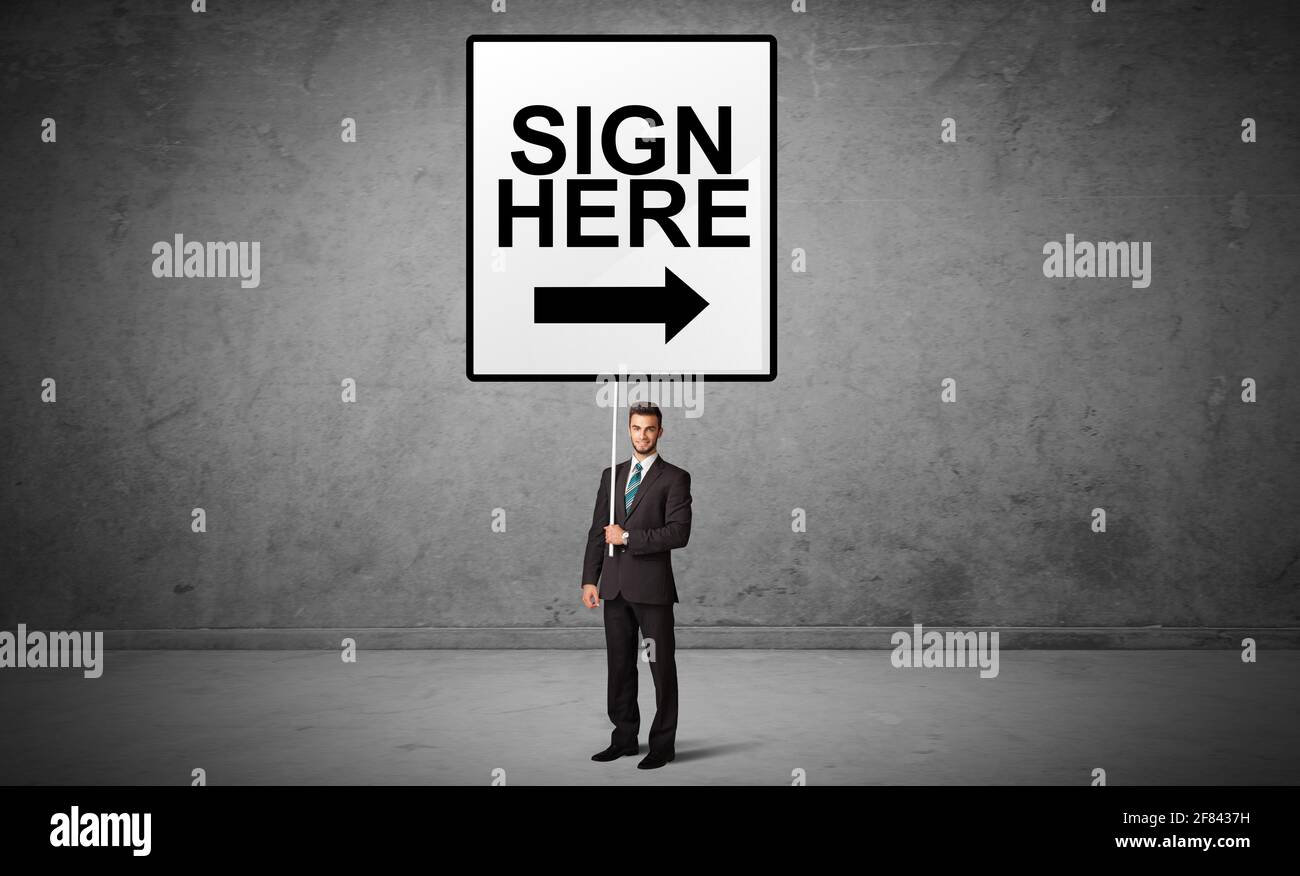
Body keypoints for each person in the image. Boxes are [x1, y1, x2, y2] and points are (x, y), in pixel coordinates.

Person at [581, 401, 692, 770]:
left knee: (660, 668)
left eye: (649, 429)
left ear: (660, 431)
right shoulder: (610, 476)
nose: (642, 435)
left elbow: (679, 533)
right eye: (636, 428)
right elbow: (598, 531)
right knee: (619, 667)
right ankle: (625, 739)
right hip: (613, 590)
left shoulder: (675, 478)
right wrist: (588, 580)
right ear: (627, 430)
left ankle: (663, 745)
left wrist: (627, 536)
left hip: (652, 593)